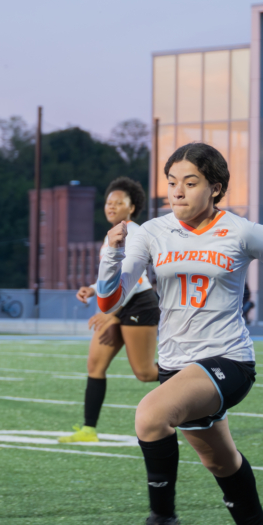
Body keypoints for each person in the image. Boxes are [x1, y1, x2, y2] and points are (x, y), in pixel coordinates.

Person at [98, 142, 263, 525]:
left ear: (215, 188)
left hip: (229, 360)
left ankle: (162, 519)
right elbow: (112, 298)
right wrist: (110, 252)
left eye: (190, 182)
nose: (177, 192)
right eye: (171, 182)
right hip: (176, 366)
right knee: (221, 462)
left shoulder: (242, 231)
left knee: (149, 415)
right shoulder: (151, 231)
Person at [61, 177, 159, 443]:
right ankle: (88, 430)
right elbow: (113, 277)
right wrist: (94, 289)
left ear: (133, 207)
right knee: (95, 364)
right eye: (108, 202)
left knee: (145, 372)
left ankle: (193, 376)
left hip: (138, 303)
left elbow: (134, 279)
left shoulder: (135, 232)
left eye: (119, 202)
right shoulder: (113, 234)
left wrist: (112, 314)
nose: (111, 206)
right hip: (118, 306)